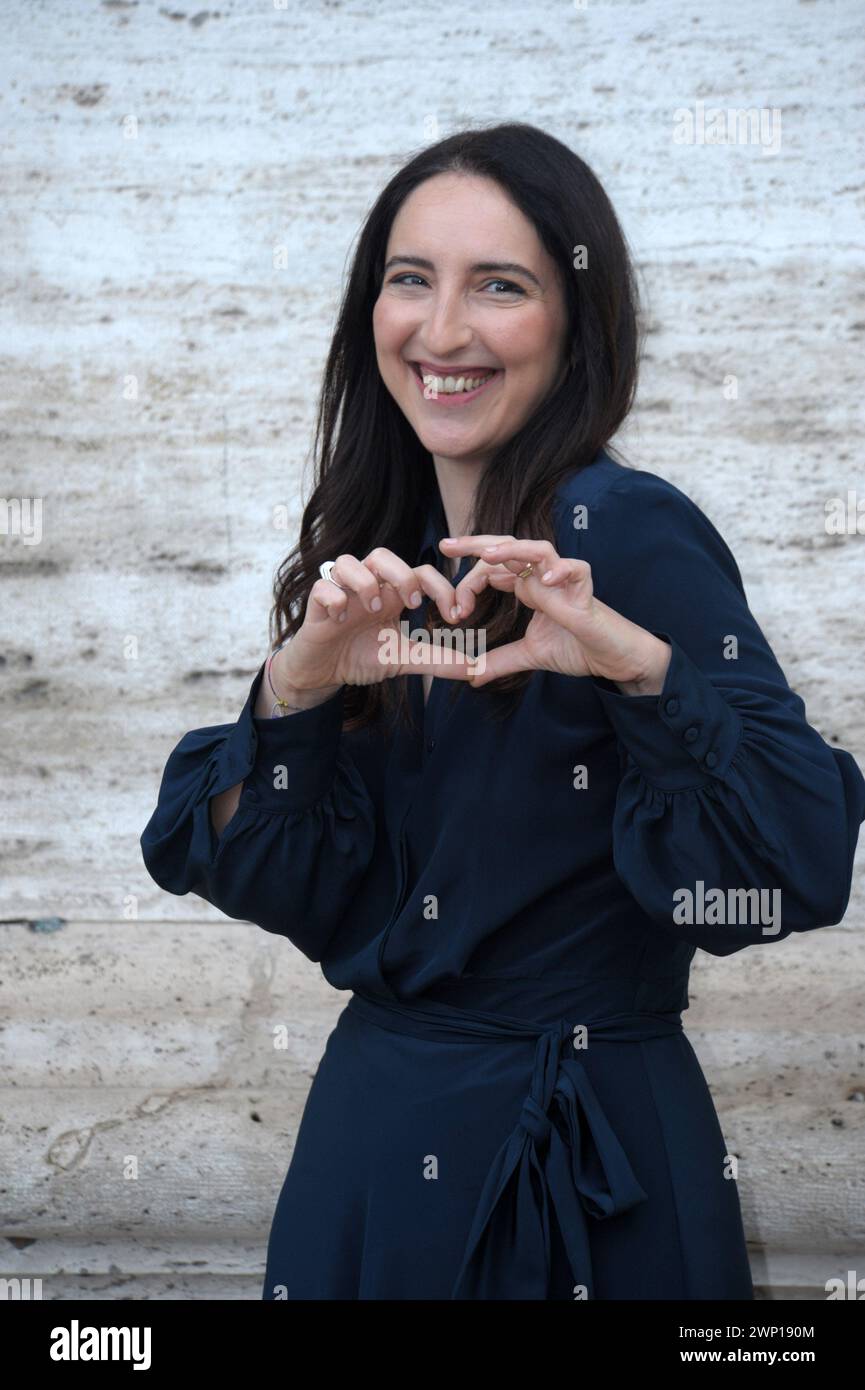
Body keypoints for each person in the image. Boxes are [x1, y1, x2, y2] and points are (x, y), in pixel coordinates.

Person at [140, 122, 865, 1300]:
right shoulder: (383, 549)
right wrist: (299, 688)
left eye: (500, 288)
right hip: (371, 1144)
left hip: (577, 1161)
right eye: (409, 280)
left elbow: (790, 861)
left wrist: (635, 667)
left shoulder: (621, 527)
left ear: (577, 322)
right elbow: (262, 874)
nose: (441, 331)